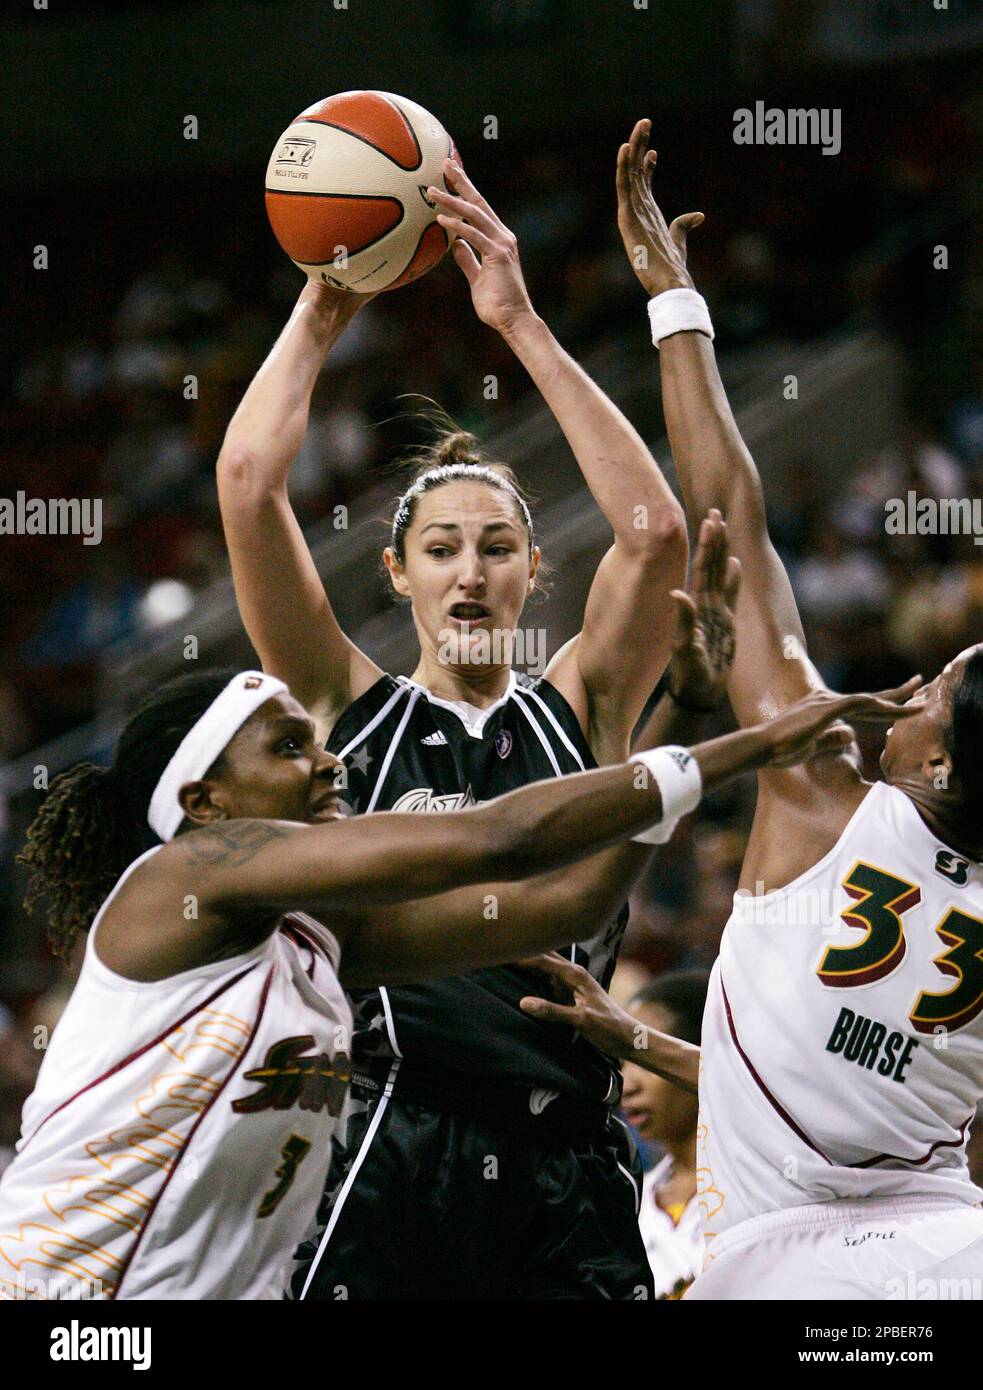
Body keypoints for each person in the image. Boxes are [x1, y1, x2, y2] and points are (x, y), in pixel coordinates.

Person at [0, 667, 894, 1300]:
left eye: (318, 743)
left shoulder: (312, 938)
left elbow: (559, 901)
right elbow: (495, 839)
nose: (329, 763)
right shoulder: (185, 876)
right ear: (205, 803)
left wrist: (685, 710)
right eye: (286, 748)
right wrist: (753, 745)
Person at [217, 153, 700, 1300]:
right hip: (394, 1132)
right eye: (441, 549)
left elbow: (654, 534)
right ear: (396, 573)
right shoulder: (347, 710)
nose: (469, 571)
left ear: (536, 571)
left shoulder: (581, 704)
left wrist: (521, 323)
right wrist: (323, 301)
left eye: (496, 547)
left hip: (564, 1153)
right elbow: (246, 481)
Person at [613, 116, 983, 1299]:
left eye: (938, 688)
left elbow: (730, 515)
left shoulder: (821, 787)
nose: (915, 685)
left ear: (939, 766)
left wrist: (676, 308)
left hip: (786, 1264)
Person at [623, 971, 709, 1299]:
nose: (627, 1086)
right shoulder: (630, 1204)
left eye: (646, 1060)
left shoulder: (765, 1187)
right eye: (623, 1061)